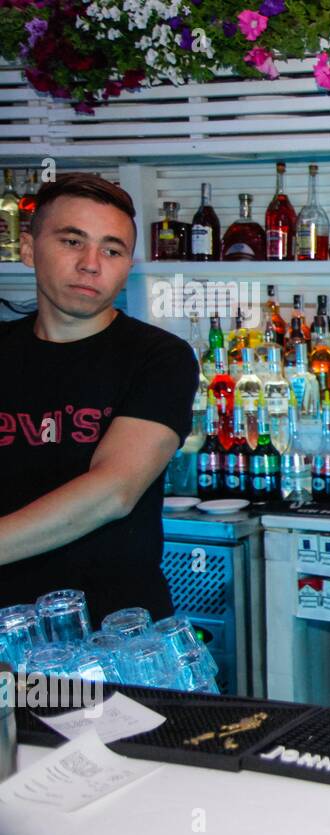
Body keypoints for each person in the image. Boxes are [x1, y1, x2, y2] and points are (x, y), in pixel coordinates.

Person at [0, 173, 198, 624]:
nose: (92, 264)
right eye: (72, 242)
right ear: (29, 249)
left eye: (112, 250)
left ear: (128, 265)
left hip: (115, 638)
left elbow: (113, 491)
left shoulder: (159, 357)